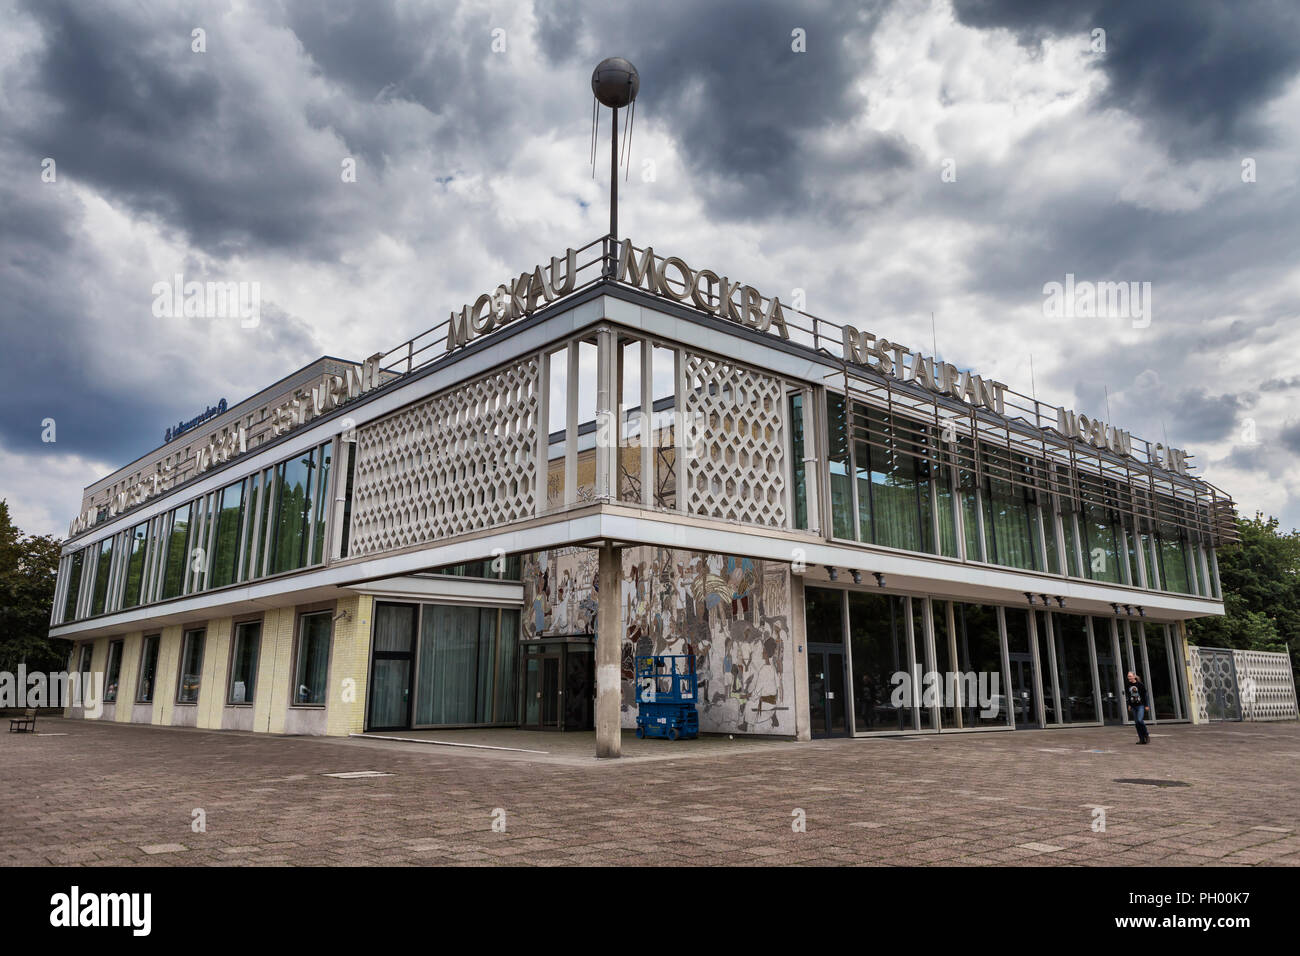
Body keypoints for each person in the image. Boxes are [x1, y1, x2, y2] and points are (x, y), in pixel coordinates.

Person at [1125, 671, 1151, 744]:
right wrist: (1129, 705)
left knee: (1140, 720)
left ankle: (1146, 735)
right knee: (1137, 723)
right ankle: (1141, 739)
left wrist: (1146, 705)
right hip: (1133, 706)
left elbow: (1144, 696)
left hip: (1140, 705)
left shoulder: (1140, 685)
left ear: (1134, 676)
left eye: (1130, 676)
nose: (1128, 677)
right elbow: (1129, 696)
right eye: (1128, 676)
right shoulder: (1128, 685)